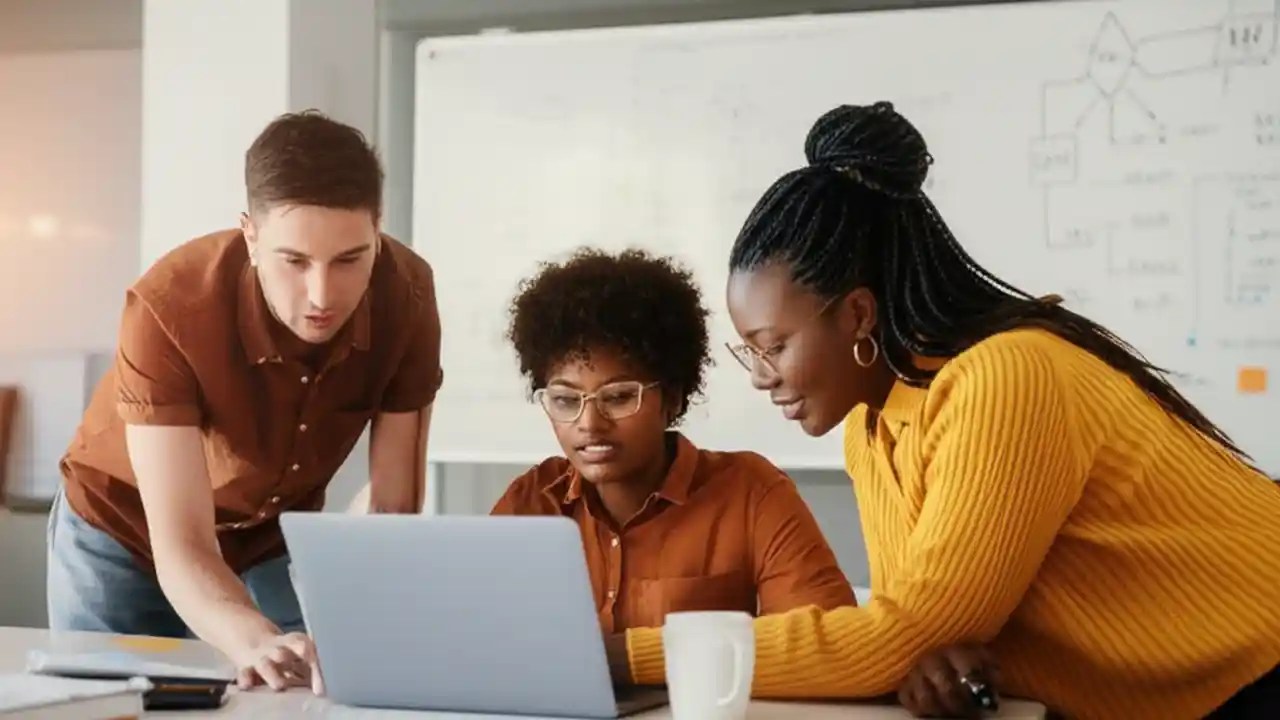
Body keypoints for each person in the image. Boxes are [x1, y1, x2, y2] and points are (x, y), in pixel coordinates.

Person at [609, 102, 1280, 719]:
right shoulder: (871, 432)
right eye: (748, 351)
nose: (760, 376)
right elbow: (929, 631)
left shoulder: (1004, 378)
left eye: (774, 346)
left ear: (857, 315)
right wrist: (933, 661)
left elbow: (904, 633)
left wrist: (627, 658)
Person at [48, 111, 443, 694]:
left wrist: (351, 610)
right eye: (295, 261)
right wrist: (253, 639)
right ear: (250, 235)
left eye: (350, 259)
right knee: (117, 706)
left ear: (378, 229)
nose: (321, 296)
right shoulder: (169, 306)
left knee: (314, 690)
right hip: (123, 531)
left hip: (268, 535)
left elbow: (392, 503)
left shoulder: (407, 293)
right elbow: (182, 542)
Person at [490, 248, 856, 633]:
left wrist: (634, 659)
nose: (589, 424)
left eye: (618, 397)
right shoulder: (530, 504)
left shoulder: (751, 494)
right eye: (565, 400)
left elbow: (829, 640)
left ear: (673, 397)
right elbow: (475, 639)